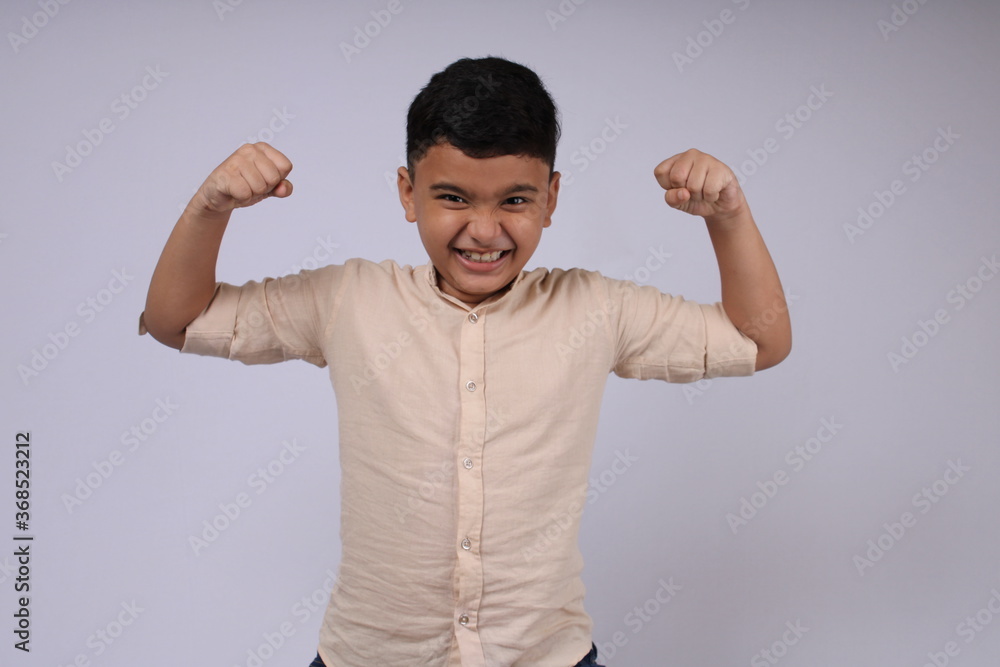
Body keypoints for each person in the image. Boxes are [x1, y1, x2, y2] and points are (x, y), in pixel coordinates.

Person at [140, 56, 791, 667]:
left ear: (551, 198)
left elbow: (759, 341)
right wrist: (210, 205)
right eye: (453, 197)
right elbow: (179, 319)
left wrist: (727, 217)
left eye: (514, 200)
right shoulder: (348, 298)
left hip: (544, 654)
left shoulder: (594, 307)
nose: (484, 230)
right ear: (407, 192)